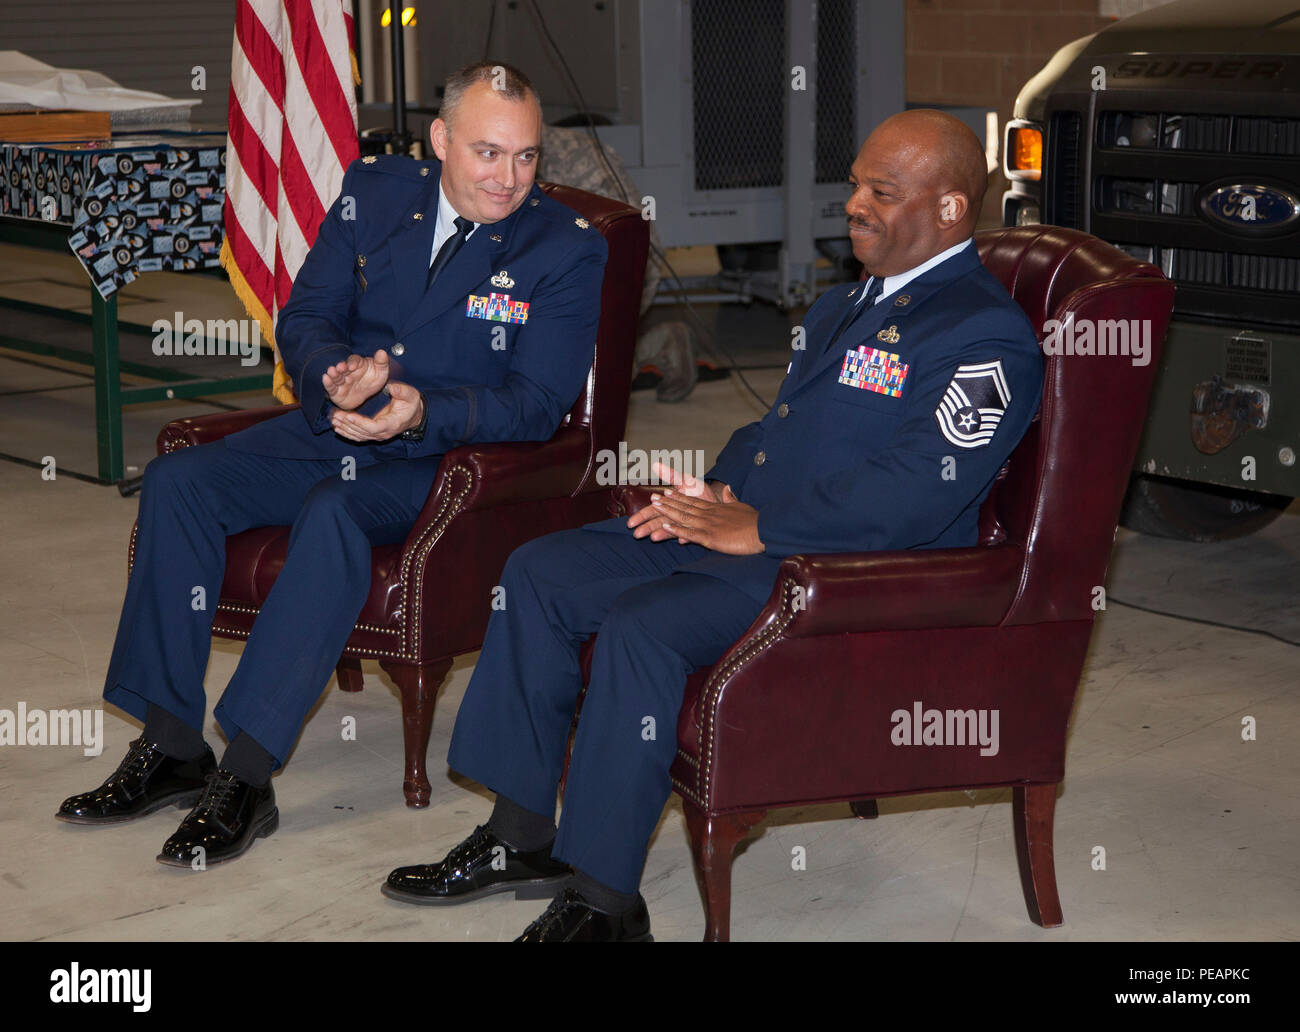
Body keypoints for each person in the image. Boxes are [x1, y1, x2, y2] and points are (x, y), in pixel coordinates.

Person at [381, 109, 1045, 940]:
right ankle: (522, 838)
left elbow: (914, 494)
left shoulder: (985, 336)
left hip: (837, 569)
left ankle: (604, 904)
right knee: (538, 573)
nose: (854, 205)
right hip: (752, 532)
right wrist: (710, 498)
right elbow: (770, 433)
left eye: (882, 191)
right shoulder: (843, 304)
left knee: (641, 626)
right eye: (854, 186)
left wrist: (758, 527)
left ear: (950, 210)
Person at [56, 62, 609, 870]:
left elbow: (538, 402)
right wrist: (331, 373)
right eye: (489, 153)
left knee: (334, 511)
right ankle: (174, 745)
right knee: (180, 481)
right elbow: (308, 314)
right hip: (335, 425)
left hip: (447, 462)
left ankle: (247, 773)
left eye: (527, 158)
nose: (509, 177)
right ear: (442, 140)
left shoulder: (562, 249)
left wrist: (422, 407)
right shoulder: (376, 191)